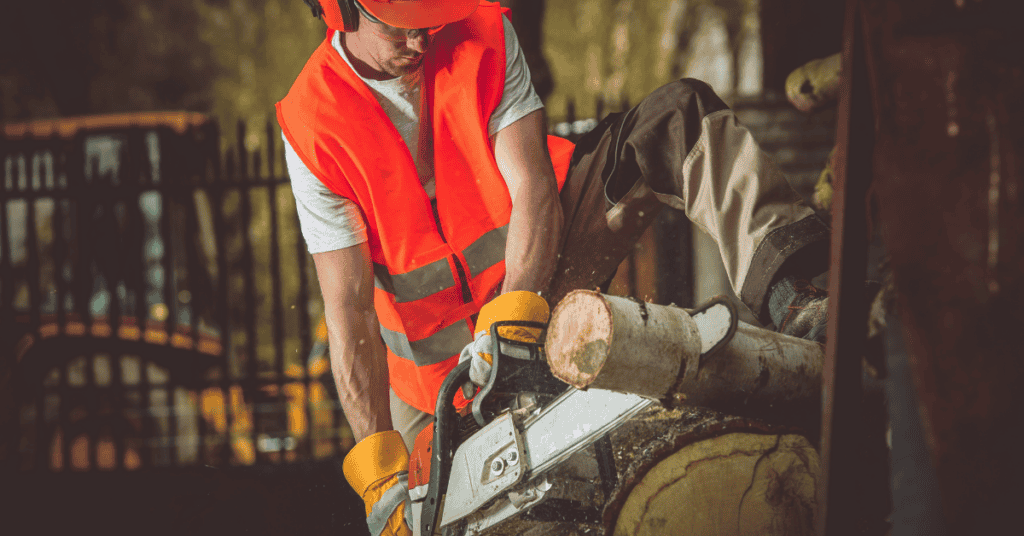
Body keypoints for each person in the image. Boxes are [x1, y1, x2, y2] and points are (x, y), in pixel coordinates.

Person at [277, 1, 829, 533]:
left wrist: (511, 321)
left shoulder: (481, 31)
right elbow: (348, 310)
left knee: (676, 116)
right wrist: (379, 472)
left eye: (428, 18)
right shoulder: (312, 122)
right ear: (341, 10)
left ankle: (799, 297)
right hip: (429, 380)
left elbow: (533, 188)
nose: (421, 38)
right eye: (401, 26)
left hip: (543, 274)